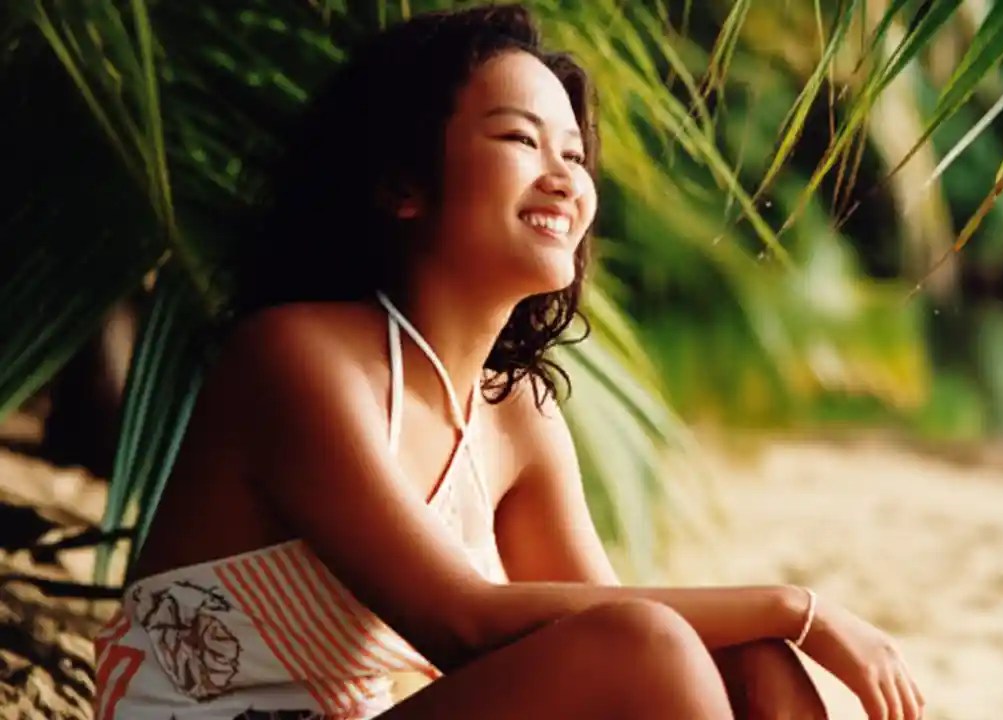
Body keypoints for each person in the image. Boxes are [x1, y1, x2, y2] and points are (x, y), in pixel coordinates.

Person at [91, 5, 925, 719]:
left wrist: (774, 634)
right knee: (662, 643)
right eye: (522, 140)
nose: (563, 177)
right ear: (403, 186)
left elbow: (596, 622)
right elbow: (468, 623)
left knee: (750, 658)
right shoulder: (298, 358)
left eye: (573, 153)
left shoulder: (514, 413)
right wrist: (798, 607)